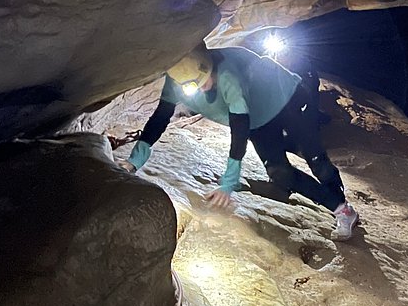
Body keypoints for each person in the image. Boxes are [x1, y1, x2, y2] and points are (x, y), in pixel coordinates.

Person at [124, 43, 360, 240]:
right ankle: (338, 207)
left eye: (205, 79)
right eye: (195, 85)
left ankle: (342, 208)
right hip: (259, 115)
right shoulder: (178, 78)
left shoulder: (228, 76)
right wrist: (134, 162)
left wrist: (229, 182)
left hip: (286, 97)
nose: (203, 87)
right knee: (280, 172)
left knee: (314, 156)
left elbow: (240, 126)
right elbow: (159, 119)